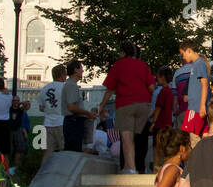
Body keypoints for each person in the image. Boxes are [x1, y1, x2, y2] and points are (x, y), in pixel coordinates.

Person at [96, 42, 155, 175]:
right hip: (143, 105)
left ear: (122, 53)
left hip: (126, 104)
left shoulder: (118, 65)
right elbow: (151, 87)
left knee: (127, 139)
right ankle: (136, 167)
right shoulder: (142, 65)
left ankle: (131, 168)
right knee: (139, 139)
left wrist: (102, 105)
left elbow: (110, 89)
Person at [62, 60, 96, 152]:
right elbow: (71, 107)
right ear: (75, 70)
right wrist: (87, 113)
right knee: (74, 152)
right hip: (74, 122)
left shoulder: (71, 84)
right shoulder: (71, 85)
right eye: (81, 68)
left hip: (74, 121)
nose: (83, 71)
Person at [178, 42, 210, 141]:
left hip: (195, 108)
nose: (183, 57)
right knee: (202, 135)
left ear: (189, 50)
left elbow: (204, 83)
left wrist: (202, 105)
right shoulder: (197, 64)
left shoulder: (199, 64)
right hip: (197, 106)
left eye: (183, 54)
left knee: (192, 138)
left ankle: (196, 156)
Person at [38, 64, 67, 160]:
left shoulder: (44, 89)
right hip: (61, 122)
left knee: (48, 151)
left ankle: (42, 172)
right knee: (63, 150)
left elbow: (41, 108)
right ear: (62, 75)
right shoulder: (65, 87)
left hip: (48, 122)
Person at [150, 67, 176, 135]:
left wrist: (153, 122)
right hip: (168, 124)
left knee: (157, 144)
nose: (156, 80)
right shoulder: (170, 91)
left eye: (157, 77)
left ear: (163, 77)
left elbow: (158, 108)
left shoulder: (163, 91)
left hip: (160, 125)